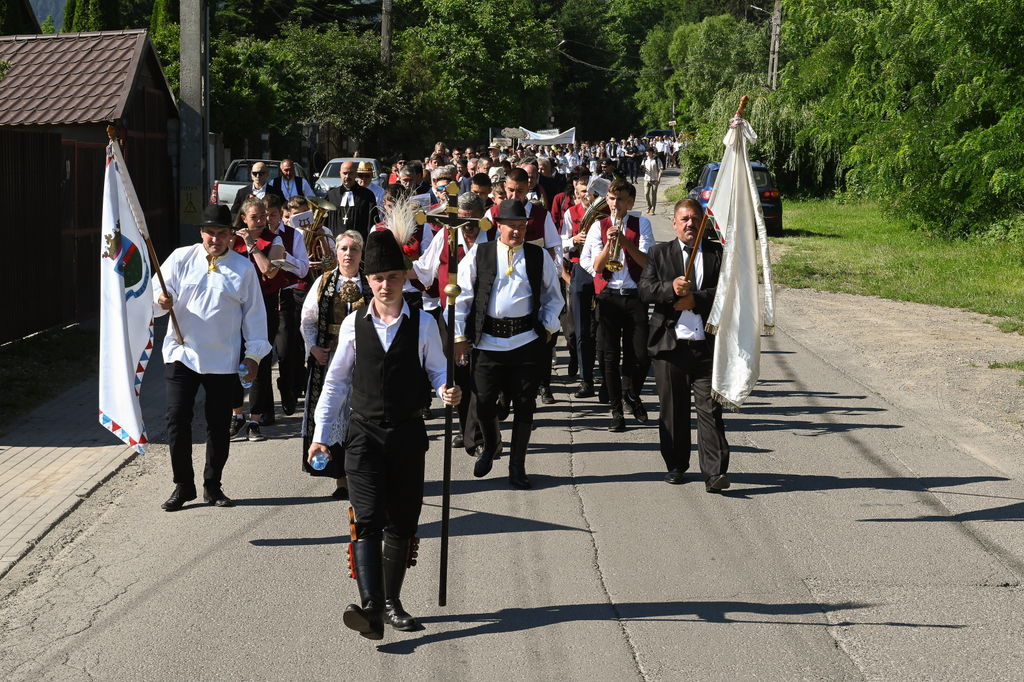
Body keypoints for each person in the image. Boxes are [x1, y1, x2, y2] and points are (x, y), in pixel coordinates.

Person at [308, 229, 461, 640]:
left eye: (393, 276)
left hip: (409, 433)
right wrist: (322, 435)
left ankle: (391, 603)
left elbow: (439, 370)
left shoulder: (424, 323)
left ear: (403, 277)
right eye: (378, 278)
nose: (385, 284)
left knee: (403, 520)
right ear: (368, 280)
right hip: (363, 435)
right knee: (368, 517)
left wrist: (448, 388)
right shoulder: (354, 326)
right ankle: (372, 606)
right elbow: (336, 383)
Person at [155, 204, 271, 510]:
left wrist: (254, 356)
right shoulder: (181, 258)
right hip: (182, 354)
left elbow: (256, 318)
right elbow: (155, 296)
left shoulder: (244, 269)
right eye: (210, 233)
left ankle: (213, 485)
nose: (215, 239)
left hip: (223, 360)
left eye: (222, 233)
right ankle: (183, 485)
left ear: (232, 235)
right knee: (176, 419)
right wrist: (161, 300)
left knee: (218, 425)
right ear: (201, 233)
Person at [453, 200, 564, 489]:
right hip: (488, 342)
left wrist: (549, 326)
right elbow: (461, 297)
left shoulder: (538, 255)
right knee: (485, 401)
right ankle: (491, 445)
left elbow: (555, 296)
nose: (516, 231)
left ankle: (518, 467)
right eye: (511, 226)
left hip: (527, 341)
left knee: (525, 405)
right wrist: (459, 338)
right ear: (498, 225)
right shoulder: (480, 253)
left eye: (522, 226)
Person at [638, 198, 730, 491]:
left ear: (704, 222)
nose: (690, 224)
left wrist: (697, 300)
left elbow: (730, 291)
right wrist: (670, 289)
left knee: (711, 411)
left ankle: (714, 472)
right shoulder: (658, 253)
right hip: (670, 347)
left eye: (695, 219)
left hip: (707, 346)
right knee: (673, 410)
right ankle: (676, 464)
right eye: (684, 219)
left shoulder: (718, 253)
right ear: (675, 223)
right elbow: (644, 290)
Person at [581, 179, 655, 432]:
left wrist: (624, 241)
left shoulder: (641, 223)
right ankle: (616, 411)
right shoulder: (597, 227)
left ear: (630, 202)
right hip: (608, 296)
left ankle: (631, 395)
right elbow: (595, 266)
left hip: (635, 296)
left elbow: (647, 263)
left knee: (642, 355)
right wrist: (608, 244)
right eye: (611, 199)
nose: (615, 204)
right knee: (610, 357)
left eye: (620, 199)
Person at [300, 230, 369, 499]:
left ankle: (363, 476)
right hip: (329, 361)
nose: (348, 254)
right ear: (336, 252)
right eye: (344, 249)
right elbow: (308, 319)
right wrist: (313, 348)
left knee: (361, 419)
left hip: (363, 364)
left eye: (354, 249)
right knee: (332, 415)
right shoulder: (323, 282)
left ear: (361, 254)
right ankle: (341, 480)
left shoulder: (370, 283)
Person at [228, 197, 291, 439]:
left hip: (264, 306)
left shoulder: (274, 239)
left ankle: (255, 421)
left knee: (260, 362)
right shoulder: (232, 241)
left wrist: (250, 243)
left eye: (263, 216)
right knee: (235, 361)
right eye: (254, 217)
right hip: (235, 307)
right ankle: (237, 416)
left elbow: (268, 270)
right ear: (244, 219)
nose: (261, 221)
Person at [326, 160, 377, 240]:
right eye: (344, 173)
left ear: (356, 174)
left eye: (350, 173)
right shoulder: (332, 195)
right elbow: (325, 224)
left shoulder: (367, 195)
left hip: (359, 246)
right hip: (335, 244)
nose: (347, 176)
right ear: (340, 174)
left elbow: (371, 224)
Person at [642, 148, 662, 214]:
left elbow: (660, 170)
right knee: (646, 193)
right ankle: (649, 206)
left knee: (654, 195)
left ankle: (653, 209)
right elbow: (642, 167)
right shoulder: (645, 159)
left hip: (654, 179)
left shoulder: (656, 160)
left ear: (651, 152)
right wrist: (642, 169)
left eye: (647, 151)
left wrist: (659, 179)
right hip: (646, 179)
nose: (646, 152)